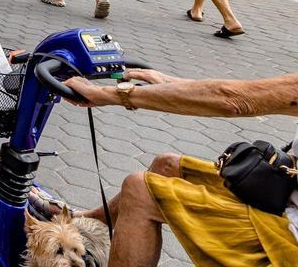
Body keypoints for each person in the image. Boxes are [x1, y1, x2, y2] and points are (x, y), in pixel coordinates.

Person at [46, 66, 298, 267]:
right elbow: (245, 92)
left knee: (139, 190)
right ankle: (88, 220)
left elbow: (233, 99)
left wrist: (110, 94)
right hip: (284, 195)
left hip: (287, 238)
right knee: (166, 165)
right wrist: (170, 84)